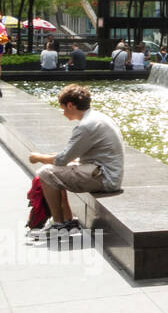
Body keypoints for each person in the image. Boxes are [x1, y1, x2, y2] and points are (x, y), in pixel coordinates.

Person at [27, 84, 125, 237]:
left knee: (45, 172)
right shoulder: (97, 118)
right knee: (58, 172)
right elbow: (67, 159)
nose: (63, 113)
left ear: (70, 105)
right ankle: (67, 220)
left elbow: (61, 160)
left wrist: (37, 157)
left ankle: (59, 225)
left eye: (63, 108)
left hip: (105, 179)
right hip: (107, 173)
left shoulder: (85, 126)